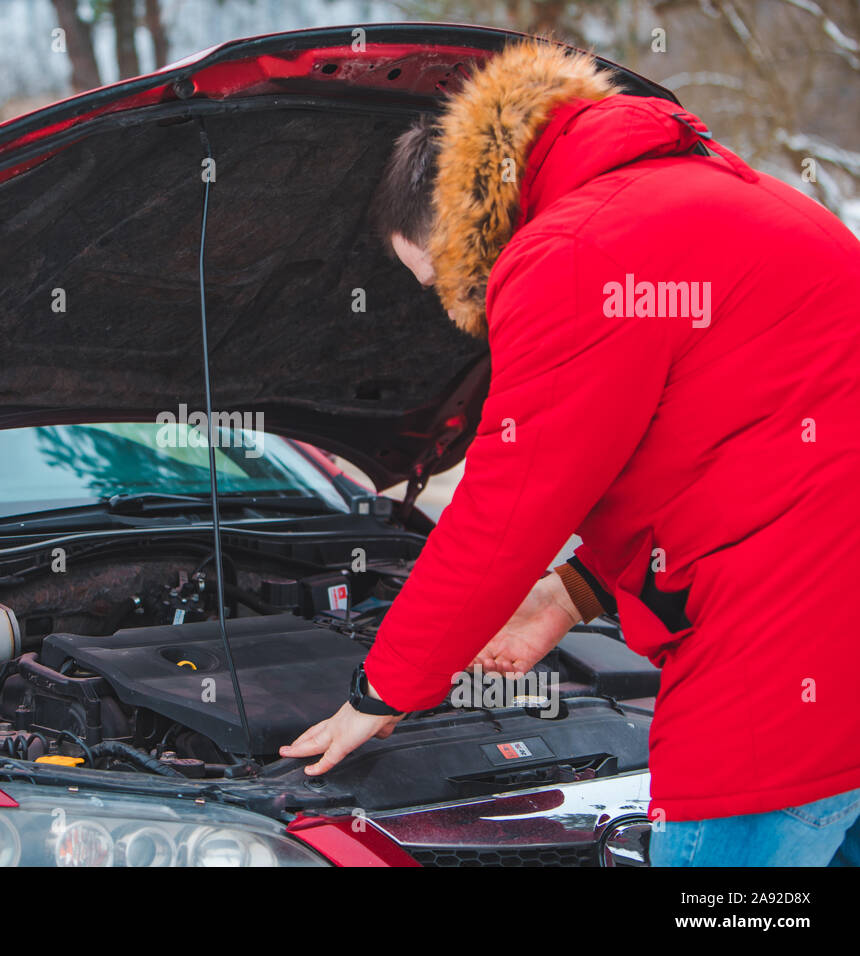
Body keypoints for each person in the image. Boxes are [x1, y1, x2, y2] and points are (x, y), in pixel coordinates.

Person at [280, 38, 860, 866]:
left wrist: (382, 691)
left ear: (460, 229)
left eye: (440, 282)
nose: (453, 312)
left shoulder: (577, 252)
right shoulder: (726, 199)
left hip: (773, 709)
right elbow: (729, 457)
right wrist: (569, 595)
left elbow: (505, 513)